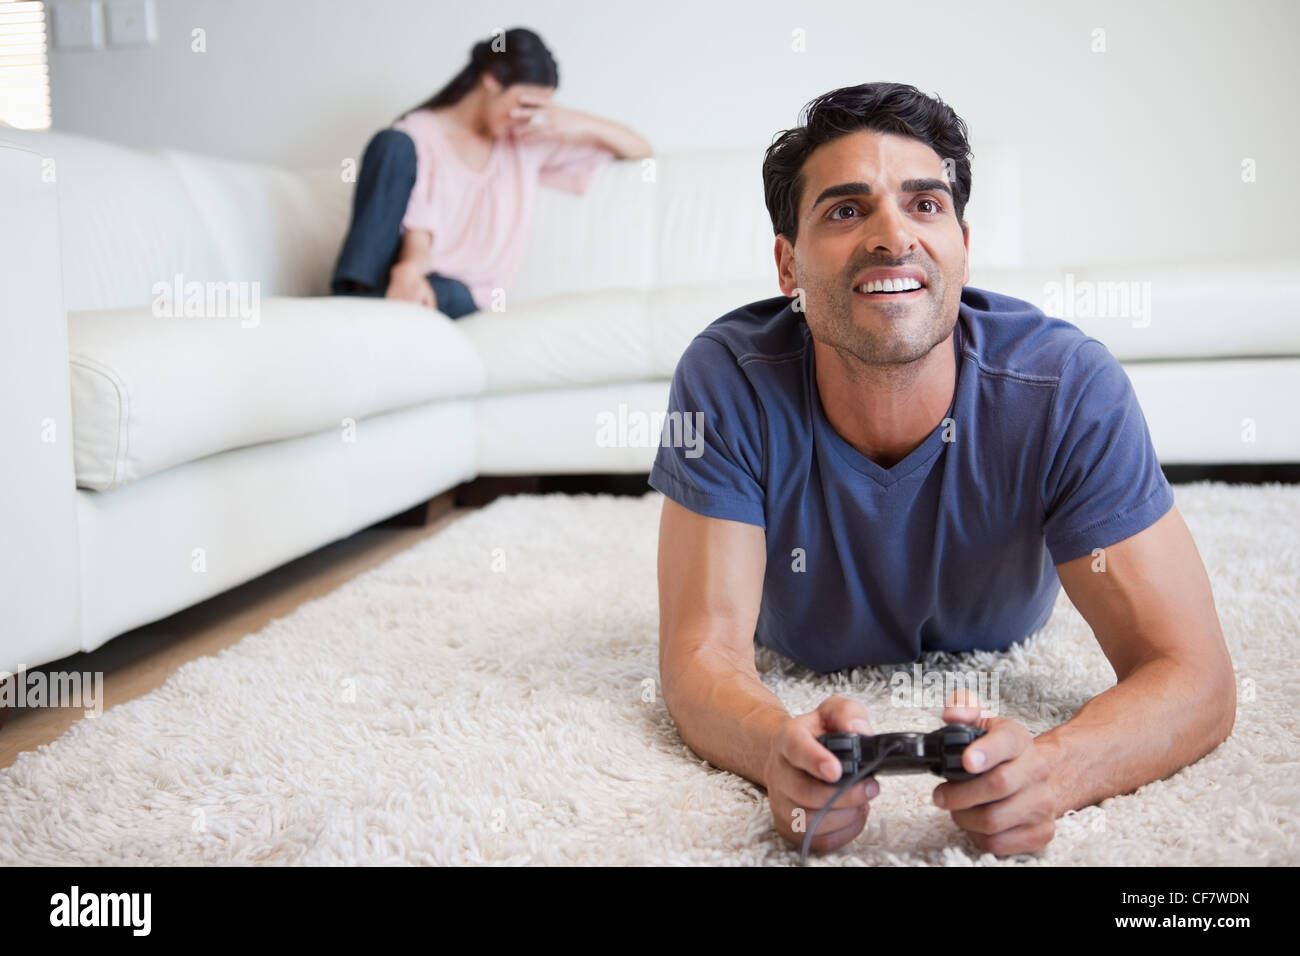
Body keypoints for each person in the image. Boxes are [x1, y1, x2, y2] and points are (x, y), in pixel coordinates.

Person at [649, 82, 1235, 858]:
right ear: (787, 265)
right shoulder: (723, 378)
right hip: (798, 646)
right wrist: (771, 751)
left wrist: (1052, 772)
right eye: (846, 209)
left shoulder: (1067, 386)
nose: (894, 237)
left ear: (963, 243)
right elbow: (700, 660)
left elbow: (1196, 677)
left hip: (1001, 628)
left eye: (925, 205)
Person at [331, 27, 652, 318]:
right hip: (401, 270)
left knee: (424, 297)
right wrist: (409, 269)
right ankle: (354, 297)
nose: (527, 118)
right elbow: (419, 226)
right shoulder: (418, 133)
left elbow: (641, 151)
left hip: (461, 289)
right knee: (393, 143)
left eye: (538, 110)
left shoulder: (527, 143)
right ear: (491, 79)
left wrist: (576, 121)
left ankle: (354, 312)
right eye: (524, 104)